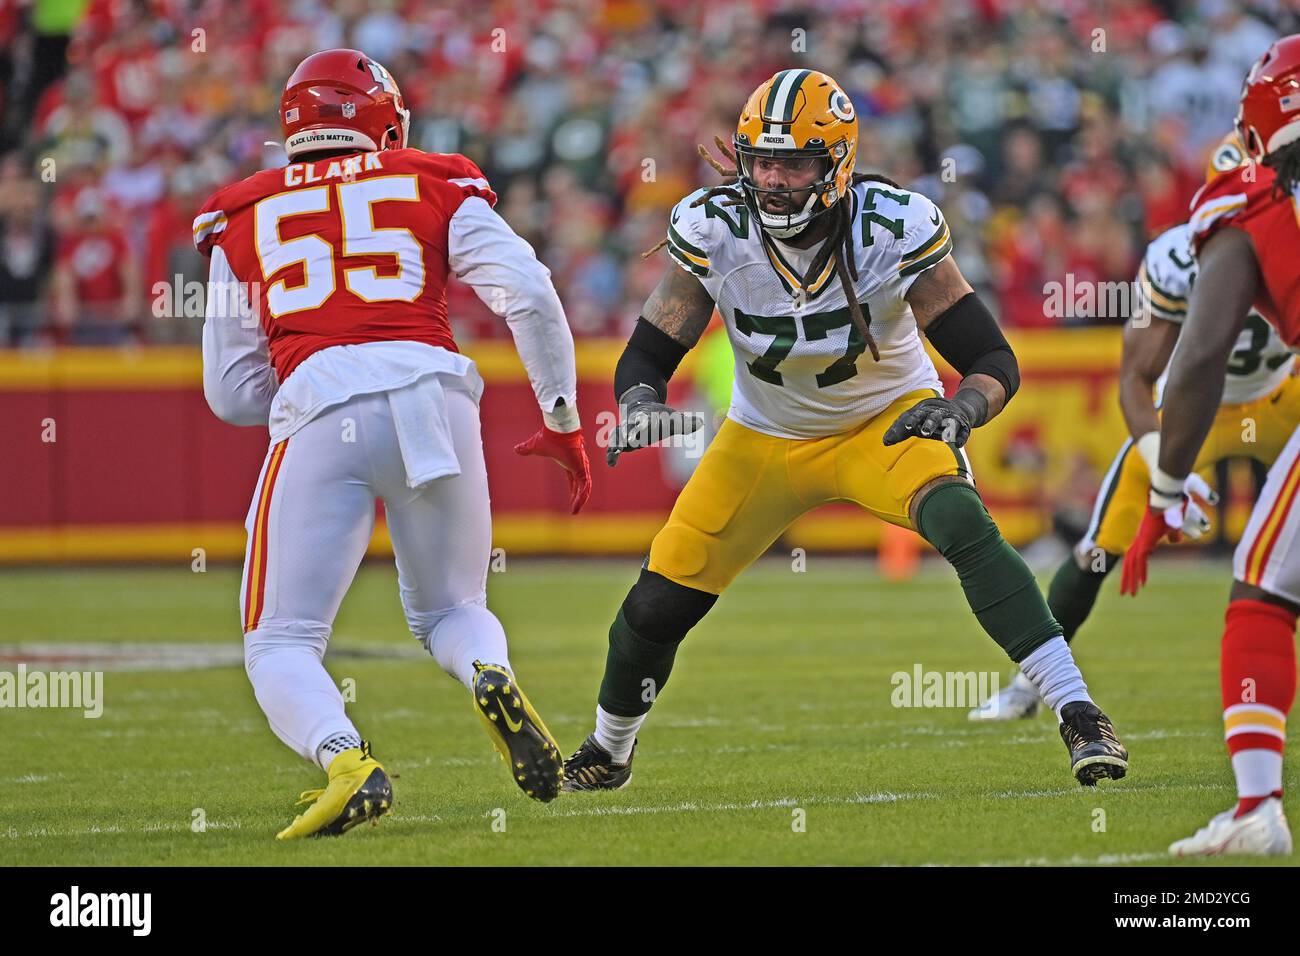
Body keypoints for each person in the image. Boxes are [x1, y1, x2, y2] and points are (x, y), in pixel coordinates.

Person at [561, 68, 1128, 793]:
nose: (771, 179)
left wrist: (961, 410)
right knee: (654, 602)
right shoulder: (714, 226)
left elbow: (990, 358)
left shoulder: (890, 227)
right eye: (760, 159)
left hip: (883, 421)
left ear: (837, 163)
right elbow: (650, 348)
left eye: (793, 162)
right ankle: (610, 749)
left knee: (959, 517)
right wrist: (640, 401)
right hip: (763, 436)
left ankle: (1079, 712)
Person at [193, 49, 591, 838]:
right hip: (435, 392)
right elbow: (532, 293)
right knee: (453, 606)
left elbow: (230, 392)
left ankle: (349, 761)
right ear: (384, 121)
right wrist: (562, 417)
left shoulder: (239, 212)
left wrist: (322, 370)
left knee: (280, 640)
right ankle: (489, 671)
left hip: (319, 401)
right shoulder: (434, 179)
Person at [972, 134, 1300, 721]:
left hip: (1285, 396)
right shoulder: (1178, 256)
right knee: (1098, 551)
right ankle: (1032, 680)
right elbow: (1134, 379)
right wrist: (1165, 469)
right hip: (1192, 411)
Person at [1123, 36, 1300, 857]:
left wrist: (1165, 491)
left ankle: (1257, 808)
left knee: (1263, 590)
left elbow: (1194, 359)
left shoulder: (1249, 198)